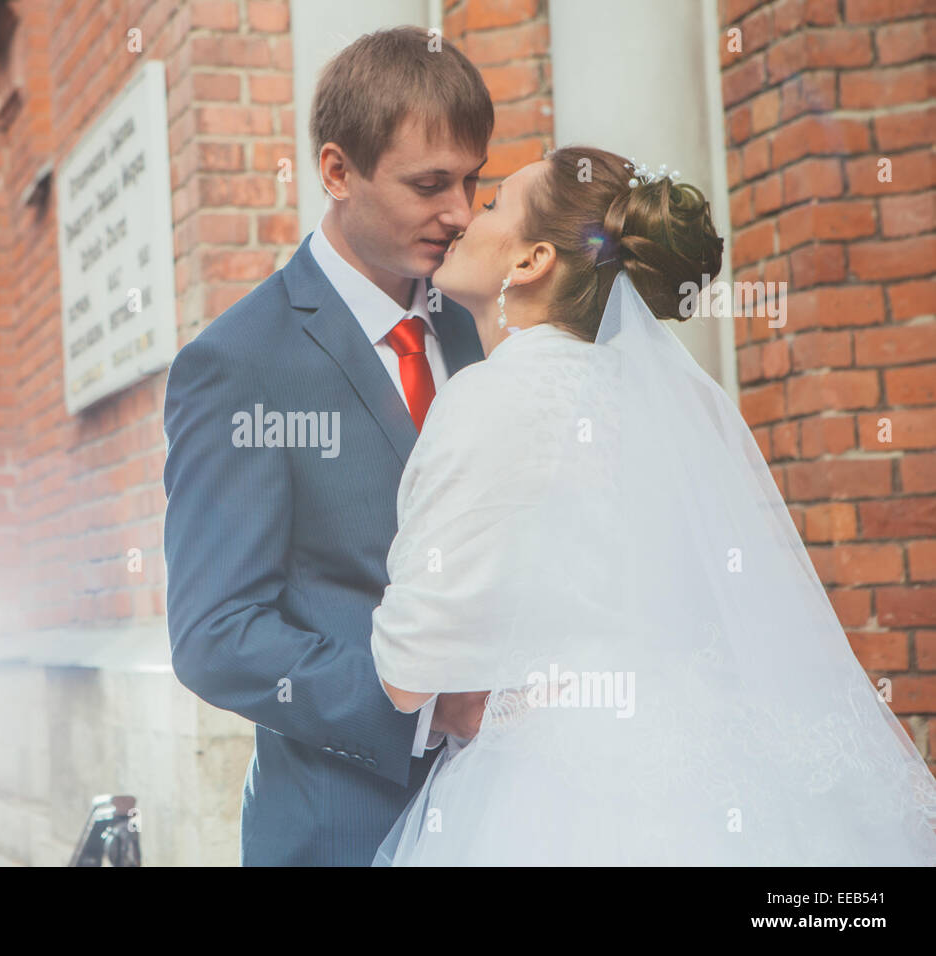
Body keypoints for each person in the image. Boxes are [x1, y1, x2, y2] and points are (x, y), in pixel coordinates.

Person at [370, 146, 936, 865]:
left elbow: (407, 669)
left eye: (492, 205)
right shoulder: (675, 405)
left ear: (532, 260)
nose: (464, 217)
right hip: (711, 759)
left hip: (554, 790)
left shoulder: (489, 399)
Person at [162, 26, 497, 866]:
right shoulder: (239, 364)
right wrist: (426, 709)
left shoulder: (473, 326)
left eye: (471, 181)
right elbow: (217, 634)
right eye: (429, 184)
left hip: (505, 809)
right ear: (337, 171)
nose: (458, 212)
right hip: (342, 833)